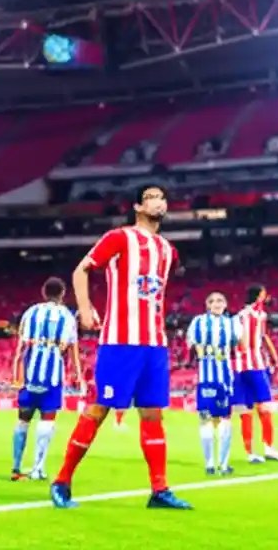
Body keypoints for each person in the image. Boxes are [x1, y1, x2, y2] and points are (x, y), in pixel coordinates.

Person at [50, 184, 192, 510]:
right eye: (152, 197)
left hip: (154, 345)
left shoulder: (169, 251)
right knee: (100, 408)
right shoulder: (119, 238)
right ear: (138, 207)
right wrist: (84, 309)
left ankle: (159, 490)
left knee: (153, 414)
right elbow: (81, 269)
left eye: (162, 197)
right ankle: (62, 481)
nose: (160, 202)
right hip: (120, 342)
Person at [11, 277, 82, 481]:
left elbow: (20, 347)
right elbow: (72, 348)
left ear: (44, 293)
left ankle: (15, 467)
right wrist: (77, 374)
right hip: (52, 376)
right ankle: (37, 468)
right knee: (47, 418)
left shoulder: (30, 312)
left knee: (23, 418)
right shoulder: (67, 316)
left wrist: (16, 373)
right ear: (62, 294)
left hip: (30, 373)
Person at [187, 291, 242, 476]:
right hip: (211, 379)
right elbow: (237, 344)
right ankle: (214, 463)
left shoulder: (200, 323)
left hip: (222, 379)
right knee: (210, 419)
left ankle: (219, 463)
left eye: (220, 300)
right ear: (207, 305)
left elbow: (191, 346)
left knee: (219, 419)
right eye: (213, 301)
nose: (217, 303)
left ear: (225, 304)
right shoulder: (229, 323)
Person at [232, 285, 278, 463]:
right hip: (251, 366)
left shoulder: (260, 315)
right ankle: (261, 449)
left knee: (253, 409)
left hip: (246, 366)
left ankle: (258, 451)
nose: (267, 296)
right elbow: (243, 342)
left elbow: (263, 336)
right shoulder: (244, 315)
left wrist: (274, 355)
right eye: (264, 293)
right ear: (259, 296)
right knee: (258, 408)